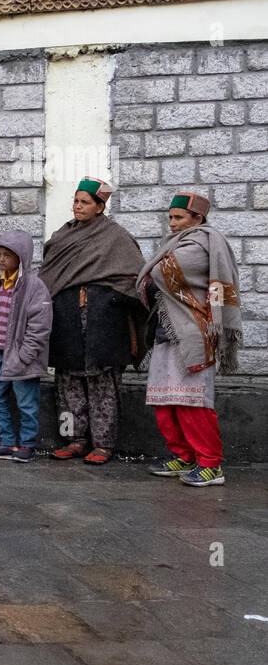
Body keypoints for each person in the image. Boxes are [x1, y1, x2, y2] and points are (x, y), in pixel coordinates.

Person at [40, 178, 147, 464]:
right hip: (66, 316)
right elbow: (49, 273)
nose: (77, 206)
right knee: (67, 381)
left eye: (84, 202)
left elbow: (135, 276)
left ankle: (103, 444)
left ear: (100, 207)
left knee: (103, 383)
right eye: (75, 201)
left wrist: (114, 297)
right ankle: (74, 439)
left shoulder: (116, 236)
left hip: (104, 318)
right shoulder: (62, 236)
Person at [138, 192, 242, 487]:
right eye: (170, 217)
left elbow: (161, 273)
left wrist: (152, 274)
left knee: (191, 402)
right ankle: (183, 456)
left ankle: (211, 464)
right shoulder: (175, 243)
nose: (172, 223)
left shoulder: (202, 242)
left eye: (178, 217)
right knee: (165, 401)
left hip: (195, 333)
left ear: (197, 218)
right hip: (168, 330)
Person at [0, 230, 52, 463]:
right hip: (1, 354)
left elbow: (40, 325)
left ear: (22, 257)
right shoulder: (1, 283)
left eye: (7, 255)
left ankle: (27, 445)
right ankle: (8, 441)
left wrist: (25, 355)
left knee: (26, 402)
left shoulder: (34, 287)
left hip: (22, 357)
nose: (1, 260)